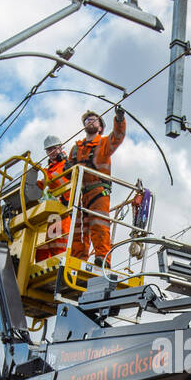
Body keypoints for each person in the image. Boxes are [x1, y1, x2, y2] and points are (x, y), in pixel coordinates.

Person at [66, 106, 126, 266]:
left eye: (93, 119)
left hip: (98, 191)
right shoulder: (75, 149)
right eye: (87, 120)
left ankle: (103, 258)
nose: (89, 121)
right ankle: (78, 260)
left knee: (99, 224)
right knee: (78, 230)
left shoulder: (104, 143)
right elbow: (68, 174)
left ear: (100, 127)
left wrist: (119, 119)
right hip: (80, 193)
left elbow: (118, 137)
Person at [35, 133, 71, 263]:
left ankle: (59, 270)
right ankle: (40, 267)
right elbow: (42, 185)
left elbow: (56, 180)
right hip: (47, 212)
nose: (52, 152)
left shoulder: (67, 164)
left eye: (54, 148)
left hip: (61, 210)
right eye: (49, 150)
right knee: (41, 246)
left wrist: (43, 178)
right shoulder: (48, 169)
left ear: (61, 148)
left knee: (58, 245)